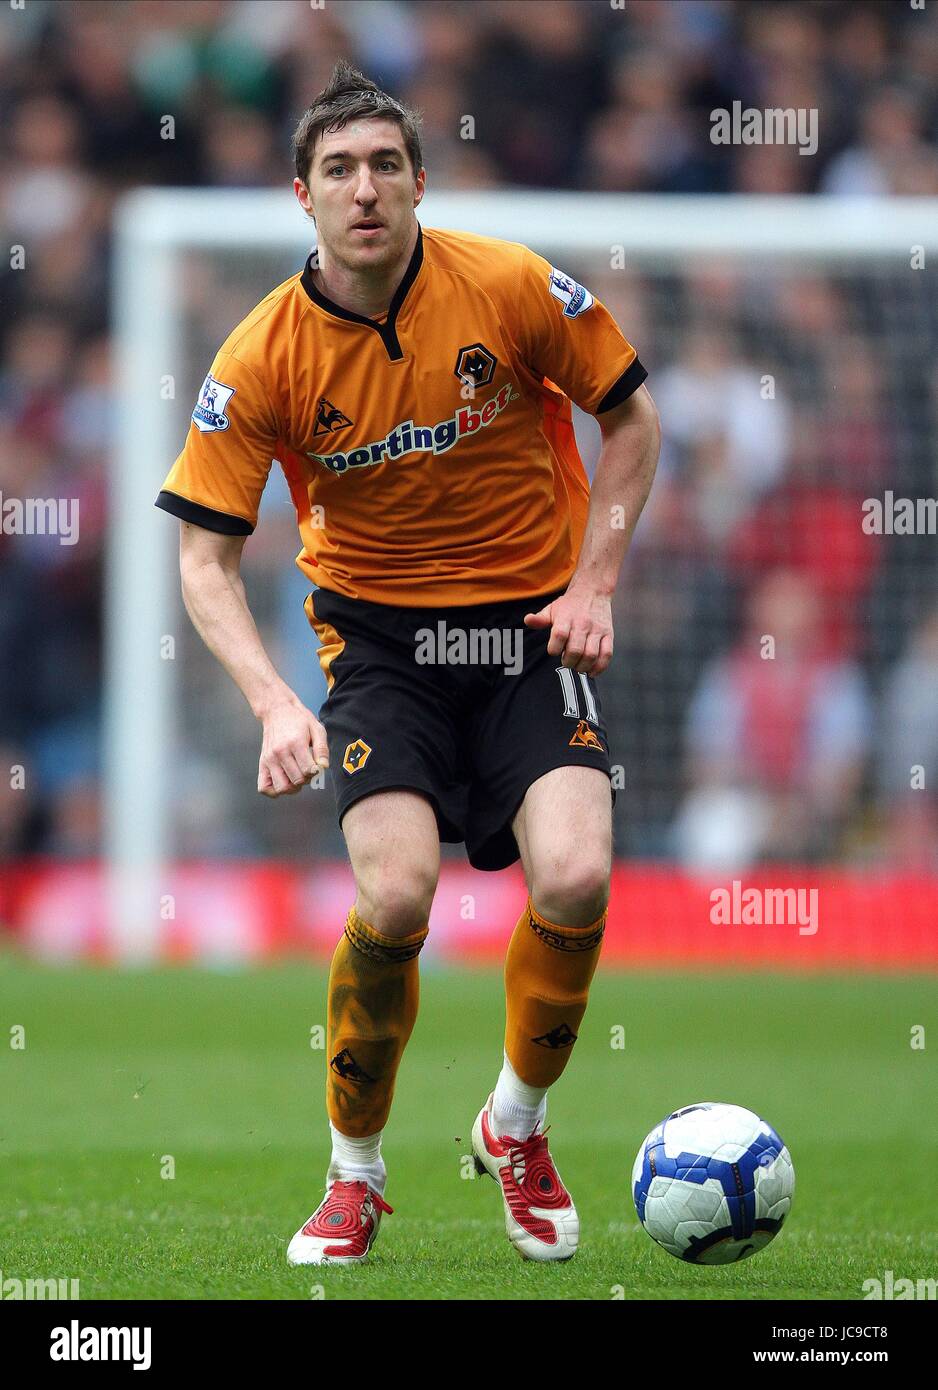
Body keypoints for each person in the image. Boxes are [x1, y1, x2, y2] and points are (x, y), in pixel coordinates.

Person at [156, 61, 660, 1265]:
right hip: (379, 643)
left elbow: (631, 418)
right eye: (339, 169)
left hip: (529, 628)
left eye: (386, 164)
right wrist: (274, 700)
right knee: (391, 897)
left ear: (420, 183)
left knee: (578, 876)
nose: (365, 188)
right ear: (303, 196)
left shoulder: (509, 284)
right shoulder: (259, 357)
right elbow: (204, 563)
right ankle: (354, 1173)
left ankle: (516, 1127)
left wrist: (594, 581)